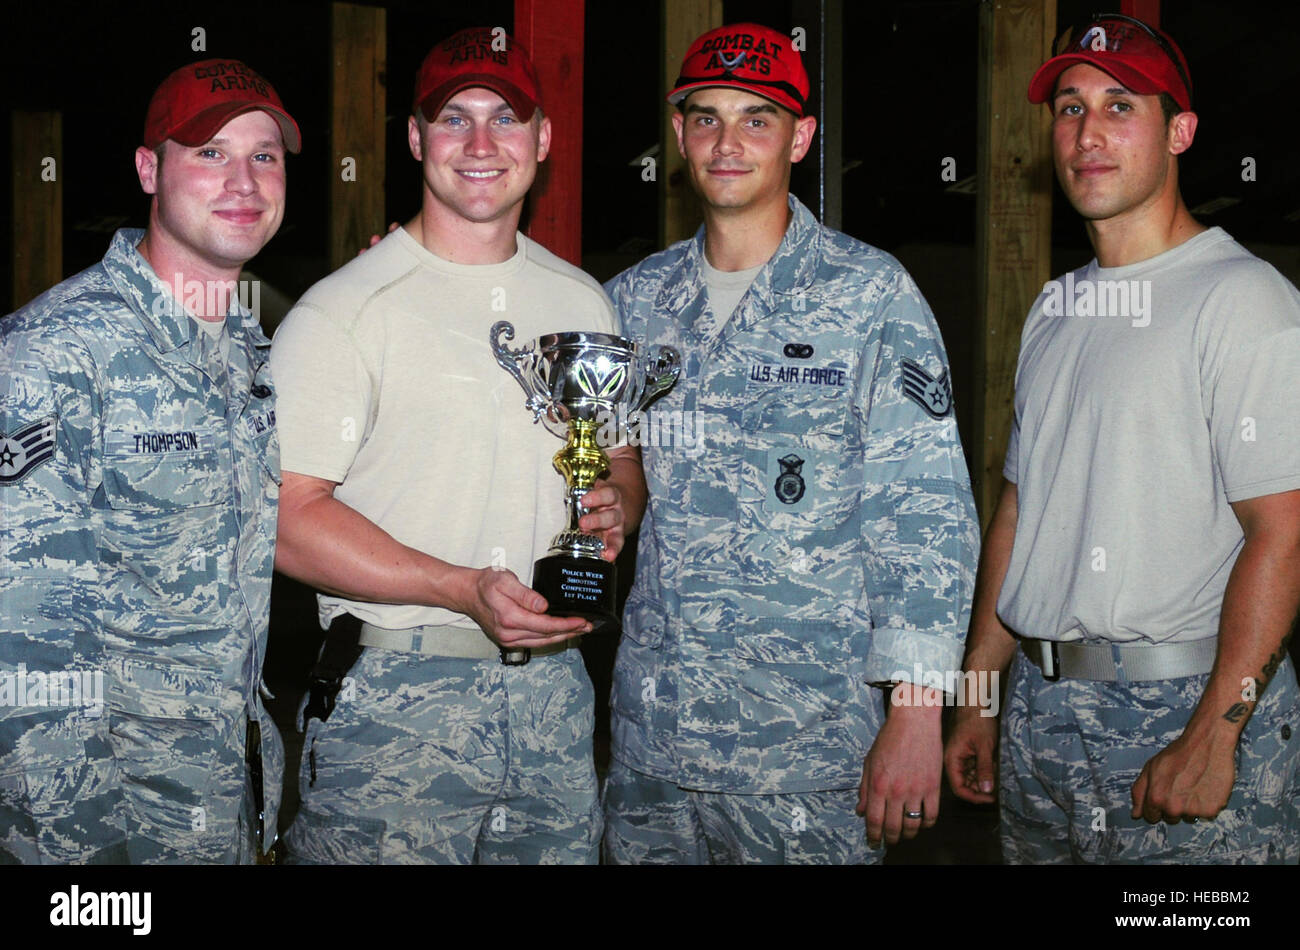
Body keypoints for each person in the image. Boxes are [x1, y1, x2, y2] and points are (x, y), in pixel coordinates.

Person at [601, 22, 979, 864]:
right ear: (679, 133)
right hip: (652, 748)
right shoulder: (631, 303)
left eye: (757, 119)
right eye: (706, 117)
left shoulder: (872, 294)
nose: (727, 142)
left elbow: (924, 514)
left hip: (806, 751)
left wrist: (917, 713)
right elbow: (600, 459)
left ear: (801, 139)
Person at [270, 27, 637, 864]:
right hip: (393, 702)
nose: (480, 144)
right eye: (453, 119)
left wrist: (616, 508)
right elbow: (289, 519)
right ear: (414, 139)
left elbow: (616, 458)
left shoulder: (581, 299)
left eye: (505, 119)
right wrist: (460, 586)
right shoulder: (345, 311)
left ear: (543, 140)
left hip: (553, 697)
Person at [945, 14, 1300, 864]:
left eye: (1120, 105)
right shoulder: (1056, 307)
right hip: (1041, 713)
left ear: (1179, 132)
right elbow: (1022, 510)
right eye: (1069, 108)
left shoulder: (1243, 298)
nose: (1087, 133)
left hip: (1178, 705)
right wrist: (980, 691)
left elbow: (1282, 529)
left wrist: (1216, 733)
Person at [0, 58, 299, 863]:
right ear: (147, 169)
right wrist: (90, 864)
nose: (243, 179)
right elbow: (23, 649)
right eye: (208, 151)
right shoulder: (54, 355)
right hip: (110, 827)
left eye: (264, 155)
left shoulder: (247, 351)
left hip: (224, 805)